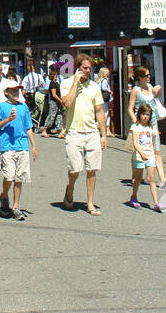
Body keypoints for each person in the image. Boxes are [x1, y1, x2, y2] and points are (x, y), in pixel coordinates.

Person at [60, 53, 108, 215]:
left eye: (89, 68)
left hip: (91, 132)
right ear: (78, 68)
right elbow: (67, 103)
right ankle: (70, 188)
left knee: (92, 169)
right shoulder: (67, 83)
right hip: (74, 132)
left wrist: (103, 135)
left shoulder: (94, 86)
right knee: (75, 169)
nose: (87, 71)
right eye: (84, 68)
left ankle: (90, 203)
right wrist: (75, 83)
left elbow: (99, 111)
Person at [0, 80, 37, 221]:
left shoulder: (23, 107)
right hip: (7, 147)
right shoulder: (0, 107)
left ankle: (16, 206)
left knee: (19, 178)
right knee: (9, 176)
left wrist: (34, 146)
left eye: (17, 90)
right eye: (12, 90)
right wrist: (8, 119)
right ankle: (4, 195)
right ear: (6, 92)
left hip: (22, 146)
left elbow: (28, 127)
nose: (16, 93)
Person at [131, 67, 166, 192]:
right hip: (140, 125)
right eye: (146, 75)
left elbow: (157, 97)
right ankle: (136, 175)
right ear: (140, 77)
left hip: (152, 124)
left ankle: (163, 179)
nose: (149, 77)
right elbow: (130, 108)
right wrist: (136, 122)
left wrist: (158, 89)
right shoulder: (136, 90)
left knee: (156, 151)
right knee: (138, 152)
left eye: (149, 75)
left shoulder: (150, 87)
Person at [125, 104, 163, 211]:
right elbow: (135, 143)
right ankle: (133, 196)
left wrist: (153, 154)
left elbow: (153, 143)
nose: (145, 117)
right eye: (143, 114)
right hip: (139, 156)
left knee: (151, 178)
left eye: (147, 114)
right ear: (139, 115)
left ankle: (156, 203)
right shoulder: (136, 127)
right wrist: (142, 154)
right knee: (138, 178)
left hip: (150, 155)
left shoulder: (152, 128)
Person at [42, 63, 65, 136]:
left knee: (59, 115)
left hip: (58, 102)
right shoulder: (52, 83)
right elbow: (54, 95)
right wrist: (60, 100)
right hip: (54, 102)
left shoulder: (57, 83)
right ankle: (45, 130)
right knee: (51, 116)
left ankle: (59, 131)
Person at [21, 58, 46, 123]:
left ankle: (30, 121)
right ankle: (36, 121)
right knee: (37, 109)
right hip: (38, 94)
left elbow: (24, 89)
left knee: (30, 109)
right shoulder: (39, 76)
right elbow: (43, 85)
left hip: (29, 95)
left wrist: (20, 97)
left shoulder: (26, 78)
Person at [98, 66, 113, 135]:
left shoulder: (99, 80)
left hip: (100, 98)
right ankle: (104, 129)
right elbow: (104, 88)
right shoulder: (105, 80)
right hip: (105, 98)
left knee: (102, 112)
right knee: (105, 113)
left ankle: (104, 129)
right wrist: (109, 91)